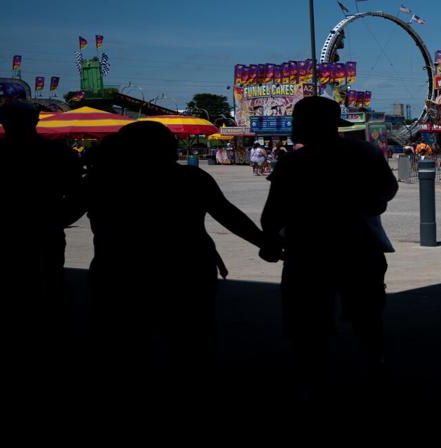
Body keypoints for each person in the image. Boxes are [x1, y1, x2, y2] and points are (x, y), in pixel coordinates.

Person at [84, 120, 278, 397]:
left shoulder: (101, 181)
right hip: (187, 271)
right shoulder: (191, 179)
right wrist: (265, 244)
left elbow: (60, 216)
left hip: (118, 271)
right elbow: (228, 215)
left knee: (124, 343)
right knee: (189, 343)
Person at [261, 95, 398, 393]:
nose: (294, 127)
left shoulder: (293, 162)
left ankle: (314, 377)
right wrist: (372, 203)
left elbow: (273, 211)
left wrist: (270, 239)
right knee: (367, 313)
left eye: (297, 121)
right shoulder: (366, 153)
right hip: (360, 246)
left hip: (307, 251)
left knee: (308, 319)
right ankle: (376, 364)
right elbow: (388, 189)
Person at [0, 100, 83, 356]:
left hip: (5, 229)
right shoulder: (59, 153)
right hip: (36, 228)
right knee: (47, 285)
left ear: (2, 121)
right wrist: (59, 219)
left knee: (5, 292)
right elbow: (77, 196)